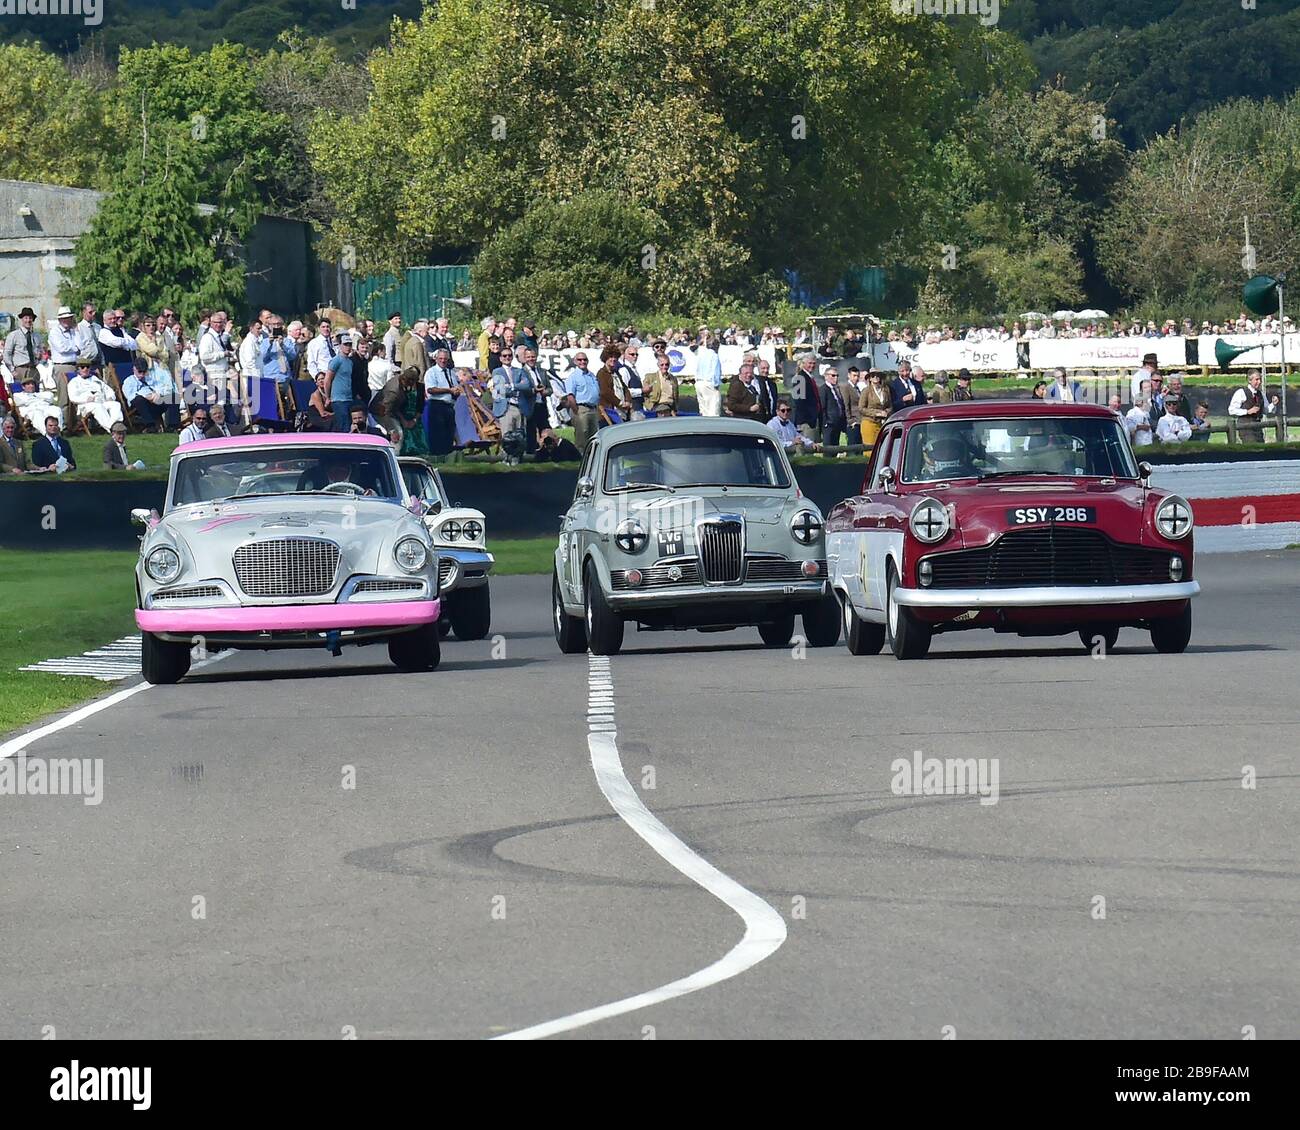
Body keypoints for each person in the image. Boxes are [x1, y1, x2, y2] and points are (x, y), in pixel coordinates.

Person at [67, 361, 124, 433]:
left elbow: (107, 389)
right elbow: (72, 397)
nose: (85, 369)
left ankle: (117, 426)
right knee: (98, 407)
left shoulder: (95, 379)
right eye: (82, 367)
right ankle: (112, 429)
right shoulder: (74, 382)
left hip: (102, 402)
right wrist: (85, 399)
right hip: (86, 405)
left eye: (87, 367)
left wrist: (110, 397)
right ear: (78, 370)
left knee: (115, 404)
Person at [1228, 370, 1279, 443]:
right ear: (1249, 380)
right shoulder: (1241, 393)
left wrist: (1273, 404)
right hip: (1245, 427)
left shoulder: (1261, 394)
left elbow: (1266, 410)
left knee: (1261, 449)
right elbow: (1231, 410)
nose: (1259, 382)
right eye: (1257, 379)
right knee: (1252, 448)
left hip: (1258, 427)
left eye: (1260, 379)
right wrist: (1247, 411)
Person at [422, 348, 457, 455]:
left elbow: (455, 387)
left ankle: (448, 454)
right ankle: (438, 455)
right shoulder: (431, 372)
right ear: (436, 359)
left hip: (449, 405)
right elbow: (430, 389)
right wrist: (448, 390)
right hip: (437, 405)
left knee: (449, 431)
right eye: (440, 358)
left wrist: (456, 392)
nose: (443, 361)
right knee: (438, 433)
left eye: (445, 359)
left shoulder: (451, 373)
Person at [565, 352, 601, 449]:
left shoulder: (592, 375)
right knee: (582, 435)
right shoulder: (573, 377)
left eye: (584, 359)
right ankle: (581, 457)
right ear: (575, 361)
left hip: (593, 408)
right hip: (581, 408)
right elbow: (570, 396)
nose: (582, 362)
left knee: (594, 436)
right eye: (579, 360)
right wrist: (576, 411)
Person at [4, 306, 44, 388]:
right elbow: (7, 354)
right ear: (22, 319)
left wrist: (39, 357)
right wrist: (12, 370)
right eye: (26, 318)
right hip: (20, 370)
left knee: (35, 396)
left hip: (33, 369)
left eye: (30, 318)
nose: (28, 320)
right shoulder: (13, 335)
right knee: (22, 397)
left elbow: (41, 351)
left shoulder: (36, 336)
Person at [788, 353, 824, 439]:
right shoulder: (800, 378)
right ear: (804, 364)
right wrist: (807, 418)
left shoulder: (809, 377)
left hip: (812, 420)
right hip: (805, 421)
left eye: (814, 363)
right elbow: (798, 401)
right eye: (809, 363)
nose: (812, 365)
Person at [326, 334, 356, 431]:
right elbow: (327, 379)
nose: (348, 347)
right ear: (340, 345)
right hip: (338, 399)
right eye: (345, 344)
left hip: (348, 398)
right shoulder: (336, 360)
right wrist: (328, 397)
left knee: (350, 425)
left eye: (349, 344)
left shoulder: (350, 362)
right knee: (343, 426)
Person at [858, 369, 892, 447]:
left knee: (882, 447)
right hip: (869, 422)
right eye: (873, 376)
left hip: (883, 423)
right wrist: (876, 413)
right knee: (870, 449)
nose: (876, 377)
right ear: (870, 378)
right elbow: (861, 408)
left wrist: (886, 412)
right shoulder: (866, 391)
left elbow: (890, 405)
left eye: (878, 375)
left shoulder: (886, 389)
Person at [694, 331, 723, 416]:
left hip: (699, 383)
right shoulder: (714, 356)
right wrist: (716, 385)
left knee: (703, 411)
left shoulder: (702, 355)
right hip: (709, 383)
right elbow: (715, 372)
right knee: (713, 411)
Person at [643, 352, 678, 417]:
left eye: (666, 365)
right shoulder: (650, 377)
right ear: (658, 365)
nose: (664, 367)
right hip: (657, 407)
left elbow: (676, 397)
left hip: (670, 407)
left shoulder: (673, 379)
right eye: (662, 365)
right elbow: (644, 394)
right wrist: (649, 406)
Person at [822, 367, 848, 449]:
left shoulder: (836, 389)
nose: (835, 378)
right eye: (833, 375)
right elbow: (822, 407)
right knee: (829, 449)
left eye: (837, 376)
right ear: (826, 376)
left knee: (835, 447)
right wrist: (826, 422)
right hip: (829, 424)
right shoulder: (823, 389)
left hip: (837, 423)